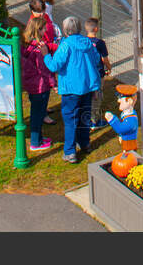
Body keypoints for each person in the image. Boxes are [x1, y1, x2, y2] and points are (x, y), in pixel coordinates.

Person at [43, 16, 102, 164]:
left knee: (71, 120)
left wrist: (45, 55)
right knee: (84, 116)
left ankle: (70, 152)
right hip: (87, 87)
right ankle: (85, 143)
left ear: (65, 30)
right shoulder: (87, 42)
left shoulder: (66, 45)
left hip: (70, 89)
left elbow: (54, 66)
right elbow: (96, 60)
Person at [21, 14, 57, 153]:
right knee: (38, 114)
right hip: (40, 86)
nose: (46, 31)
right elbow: (44, 70)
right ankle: (35, 142)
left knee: (36, 112)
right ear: (39, 30)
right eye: (44, 29)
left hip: (31, 84)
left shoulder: (27, 45)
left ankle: (40, 138)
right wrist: (53, 83)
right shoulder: (39, 50)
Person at [86, 17, 111, 123]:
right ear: (96, 29)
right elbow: (104, 59)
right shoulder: (100, 43)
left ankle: (86, 115)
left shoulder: (83, 41)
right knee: (97, 94)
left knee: (88, 93)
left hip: (86, 72)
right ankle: (94, 119)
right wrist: (109, 67)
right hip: (98, 73)